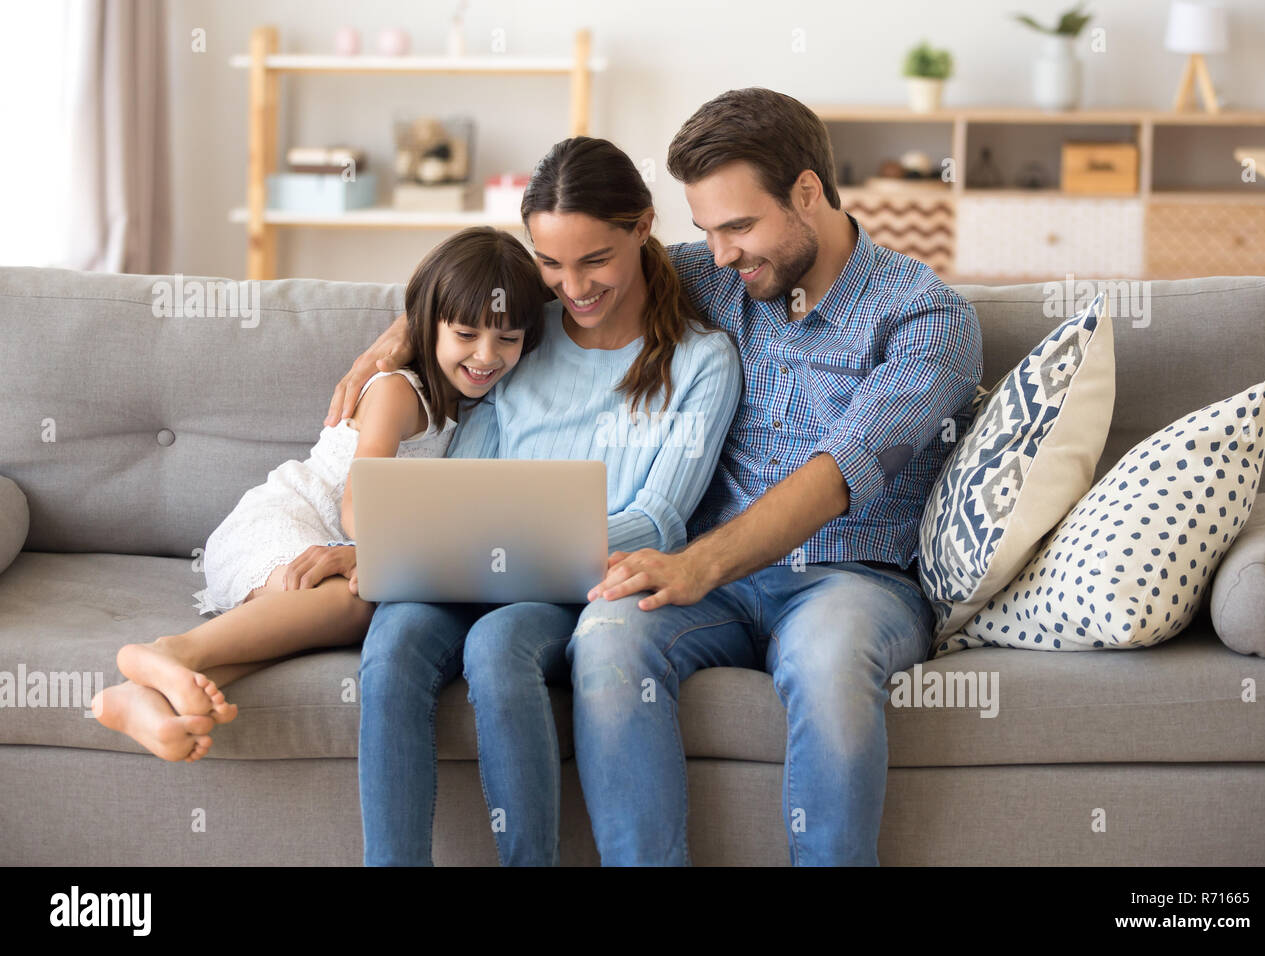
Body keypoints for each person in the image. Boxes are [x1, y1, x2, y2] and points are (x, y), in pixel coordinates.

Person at [330, 88, 983, 867]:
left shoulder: (926, 317)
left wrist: (695, 562)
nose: (721, 252)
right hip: (704, 583)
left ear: (807, 192)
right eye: (705, 230)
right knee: (606, 639)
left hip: (847, 577)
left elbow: (838, 475)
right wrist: (395, 339)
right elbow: (547, 271)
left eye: (738, 225)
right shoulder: (719, 273)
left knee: (832, 665)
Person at [348, 136, 742, 866]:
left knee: (498, 648)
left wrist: (526, 541)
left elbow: (660, 519)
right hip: (470, 562)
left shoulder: (700, 360)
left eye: (594, 260)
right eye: (551, 263)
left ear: (643, 226)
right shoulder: (521, 334)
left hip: (578, 583)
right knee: (394, 639)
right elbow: (465, 469)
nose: (574, 286)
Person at [92, 227, 548, 763]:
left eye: (508, 339)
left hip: (337, 542)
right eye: (466, 335)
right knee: (358, 604)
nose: (486, 356)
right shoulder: (400, 391)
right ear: (427, 328)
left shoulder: (471, 402)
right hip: (286, 519)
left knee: (335, 618)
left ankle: (142, 695)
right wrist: (380, 555)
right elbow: (360, 501)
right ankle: (169, 650)